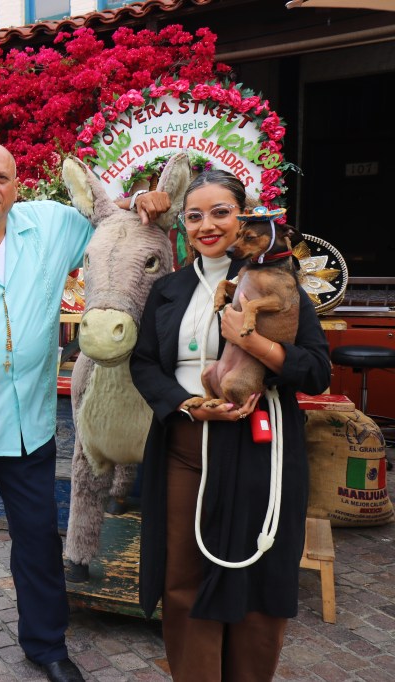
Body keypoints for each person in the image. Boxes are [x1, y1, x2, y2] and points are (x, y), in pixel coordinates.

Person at [0, 142, 168, 682]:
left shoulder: (52, 225)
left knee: (38, 539)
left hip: (28, 424)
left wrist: (145, 199)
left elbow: (115, 227)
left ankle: (45, 645)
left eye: (1, 176)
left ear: (18, 185)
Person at [129, 169, 331, 681]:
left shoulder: (276, 282)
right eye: (194, 216)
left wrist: (257, 343)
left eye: (220, 212)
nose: (207, 225)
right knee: (182, 578)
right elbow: (145, 364)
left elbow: (317, 370)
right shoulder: (170, 289)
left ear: (244, 217)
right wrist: (184, 404)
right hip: (185, 444)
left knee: (258, 578)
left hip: (260, 449)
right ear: (184, 226)